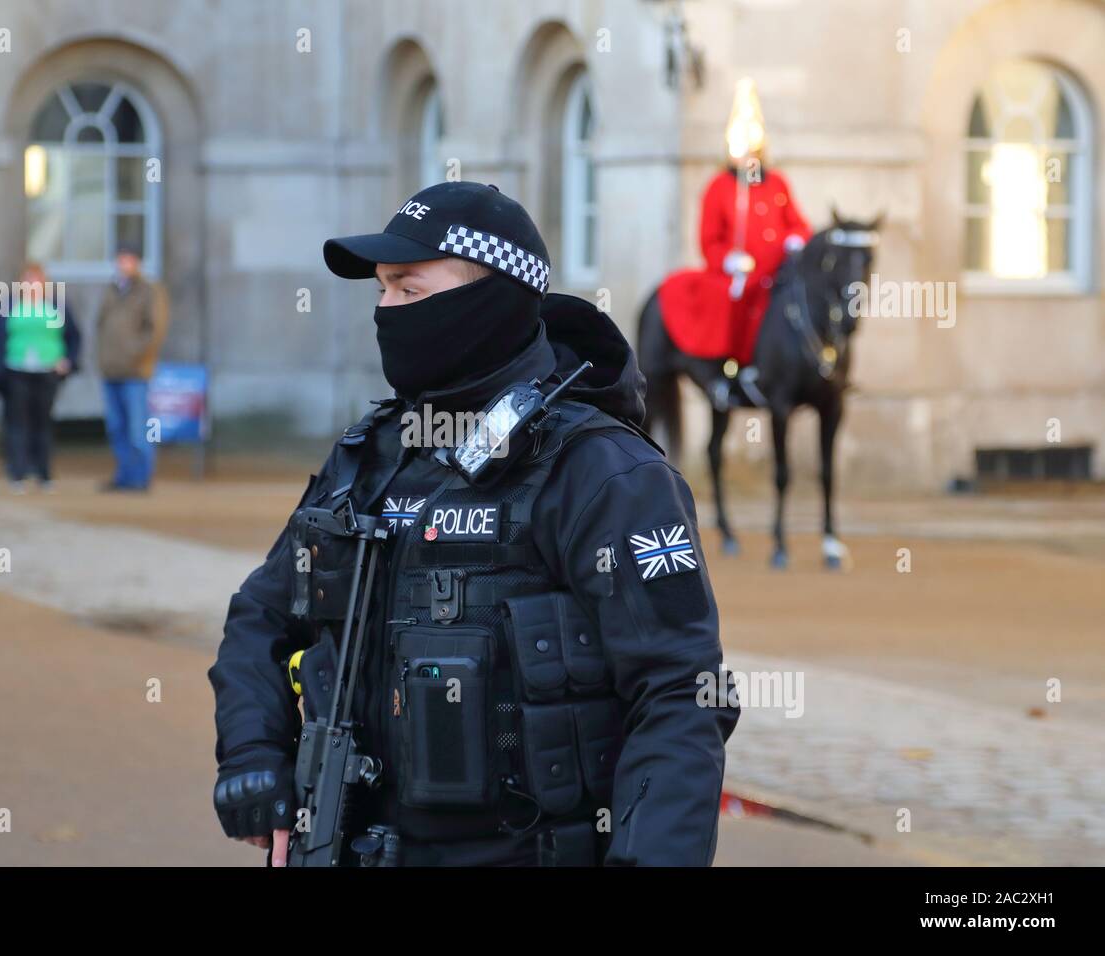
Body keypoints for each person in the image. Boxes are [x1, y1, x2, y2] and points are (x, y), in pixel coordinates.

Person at [208, 181, 739, 867]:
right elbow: (261, 613)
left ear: (490, 298)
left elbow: (682, 695)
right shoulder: (370, 456)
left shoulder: (603, 472)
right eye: (380, 293)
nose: (388, 312)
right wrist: (252, 752)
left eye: (410, 291)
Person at [658, 78, 810, 409]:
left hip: (776, 272)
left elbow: (796, 222)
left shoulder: (778, 184)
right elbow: (709, 240)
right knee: (728, 300)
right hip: (739, 274)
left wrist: (796, 240)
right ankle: (727, 373)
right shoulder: (719, 187)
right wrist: (729, 260)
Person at [0, 262, 82, 492]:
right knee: (17, 423)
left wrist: (67, 361)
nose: (31, 285)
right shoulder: (10, 306)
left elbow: (73, 336)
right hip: (16, 371)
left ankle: (43, 472)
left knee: (42, 422)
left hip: (47, 372)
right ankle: (17, 471)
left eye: (35, 280)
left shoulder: (56, 306)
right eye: (27, 280)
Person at [96, 243, 169, 492]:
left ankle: (141, 477)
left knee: (140, 429)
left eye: (128, 259)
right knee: (117, 427)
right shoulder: (111, 289)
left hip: (135, 371)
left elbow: (155, 330)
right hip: (111, 369)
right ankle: (124, 475)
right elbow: (101, 324)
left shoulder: (149, 290)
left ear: (137, 262)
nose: (123, 264)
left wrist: (135, 354)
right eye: (120, 259)